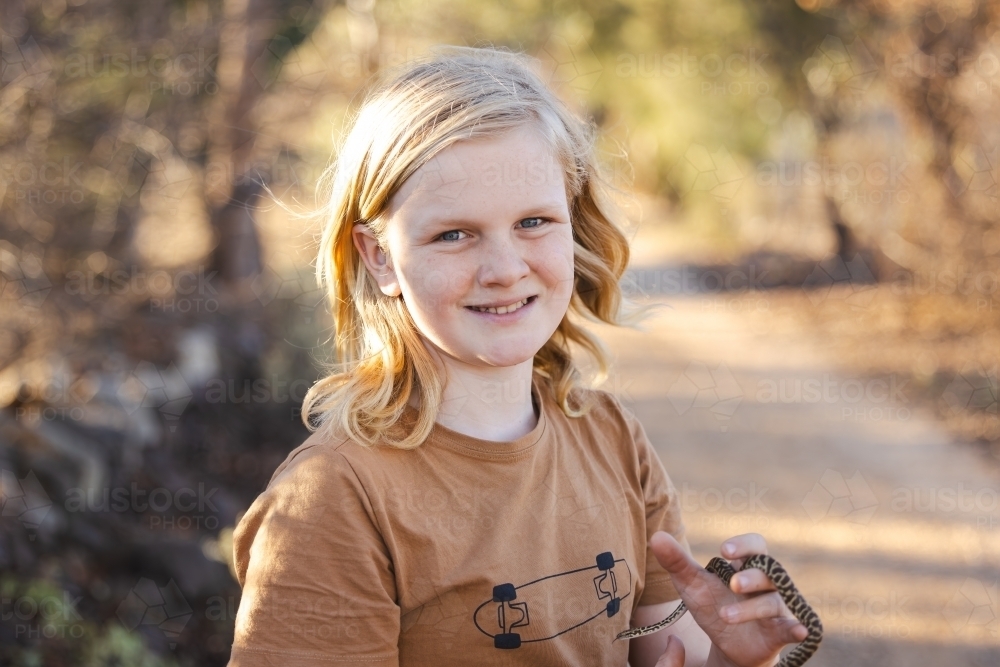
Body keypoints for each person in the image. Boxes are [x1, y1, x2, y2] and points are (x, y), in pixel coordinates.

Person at [228, 46, 807, 667]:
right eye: (454, 234)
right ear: (380, 257)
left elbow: (672, 655)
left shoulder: (612, 439)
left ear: (573, 227)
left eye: (534, 222)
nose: (505, 270)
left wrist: (735, 660)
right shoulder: (336, 498)